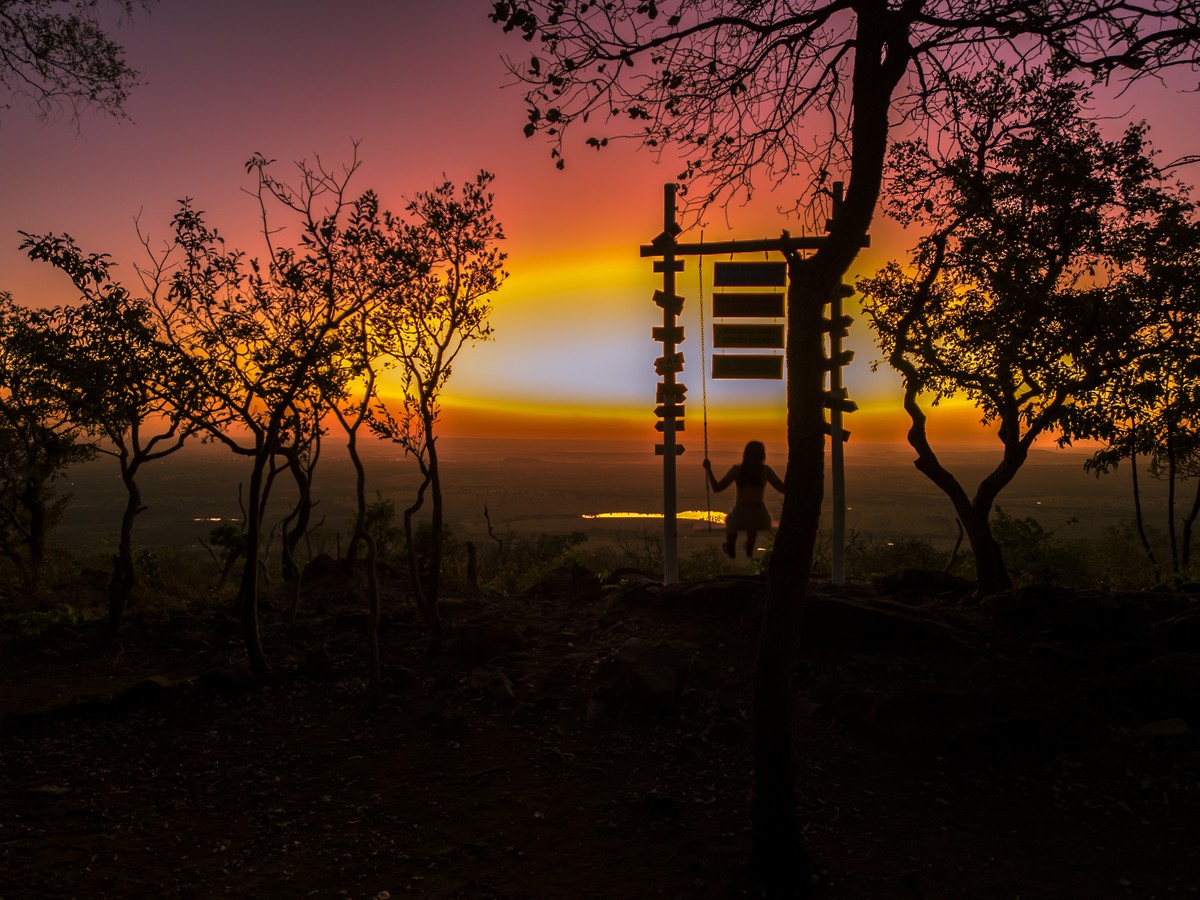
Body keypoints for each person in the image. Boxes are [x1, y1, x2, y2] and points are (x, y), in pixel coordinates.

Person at [703, 440, 785, 559]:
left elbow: (717, 488)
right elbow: (783, 489)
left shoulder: (737, 470)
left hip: (739, 516)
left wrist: (708, 469)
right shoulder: (765, 470)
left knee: (731, 519)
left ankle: (730, 546)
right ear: (762, 455)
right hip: (761, 518)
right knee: (754, 519)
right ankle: (749, 546)